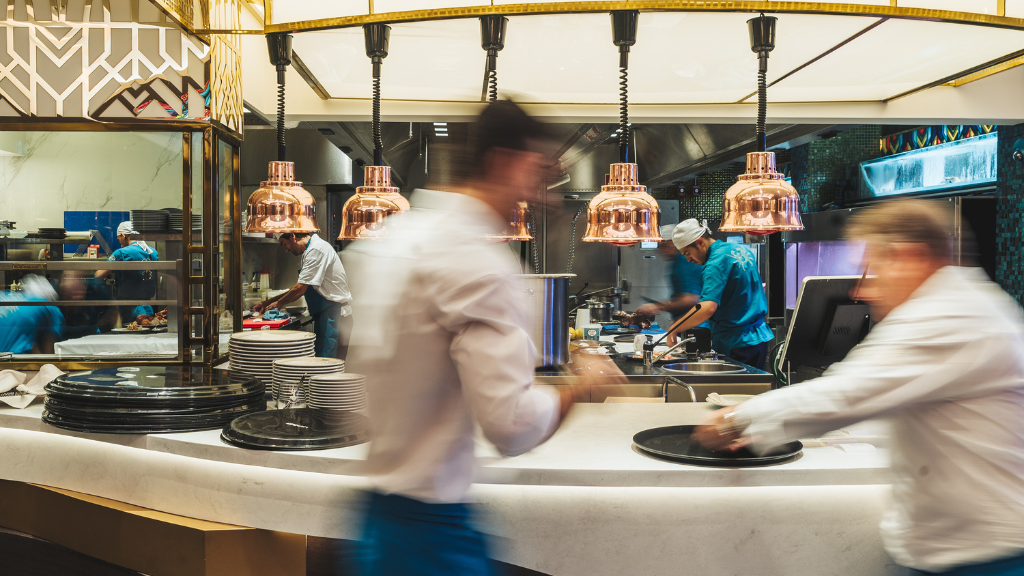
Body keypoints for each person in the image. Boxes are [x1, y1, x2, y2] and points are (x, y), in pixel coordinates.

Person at [343, 100, 624, 576]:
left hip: (379, 516)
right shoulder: (476, 263)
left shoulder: (401, 236)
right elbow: (511, 425)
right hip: (429, 532)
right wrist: (584, 385)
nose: (549, 192)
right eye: (541, 171)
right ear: (502, 161)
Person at [693, 200, 1024, 575]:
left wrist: (735, 419)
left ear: (910, 257)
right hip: (959, 550)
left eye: (873, 269)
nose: (862, 291)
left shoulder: (947, 315)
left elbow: (845, 394)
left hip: (984, 558)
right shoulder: (963, 302)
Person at [665, 219, 773, 369]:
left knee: (734, 392)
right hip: (759, 339)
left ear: (700, 242)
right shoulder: (740, 250)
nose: (688, 259)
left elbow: (707, 307)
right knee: (755, 389)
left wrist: (675, 327)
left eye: (688, 253)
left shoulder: (714, 264)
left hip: (735, 343)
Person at [253, 231, 352, 359]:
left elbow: (300, 289)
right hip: (327, 316)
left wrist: (279, 303)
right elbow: (299, 287)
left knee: (328, 369)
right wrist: (266, 303)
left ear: (293, 237)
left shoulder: (317, 249)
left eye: (284, 244)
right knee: (322, 366)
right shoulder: (312, 250)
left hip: (335, 317)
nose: (286, 250)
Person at [636, 223, 703, 323]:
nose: (661, 251)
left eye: (664, 246)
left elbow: (691, 299)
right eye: (659, 247)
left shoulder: (685, 262)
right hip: (684, 321)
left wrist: (657, 306)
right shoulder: (676, 262)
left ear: (674, 243)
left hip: (695, 325)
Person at [95, 221, 159, 324]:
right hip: (147, 307)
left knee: (129, 335)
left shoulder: (121, 253)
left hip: (128, 307)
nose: (120, 244)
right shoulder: (152, 252)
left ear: (123, 235)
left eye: (119, 239)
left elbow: (99, 276)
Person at [0, 274, 63, 354]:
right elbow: (48, 351)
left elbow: (32, 343)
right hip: (14, 361)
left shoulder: (5, 296)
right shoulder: (49, 307)